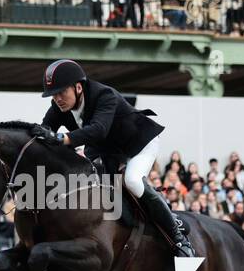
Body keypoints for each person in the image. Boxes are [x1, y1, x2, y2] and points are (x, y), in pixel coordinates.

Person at [38, 58, 195, 257]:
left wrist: (63, 138)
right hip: (108, 150)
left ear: (78, 87)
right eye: (53, 95)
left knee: (132, 180)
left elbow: (98, 130)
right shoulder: (59, 107)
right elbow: (46, 129)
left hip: (139, 144)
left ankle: (178, 236)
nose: (57, 98)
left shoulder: (104, 95)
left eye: (61, 92)